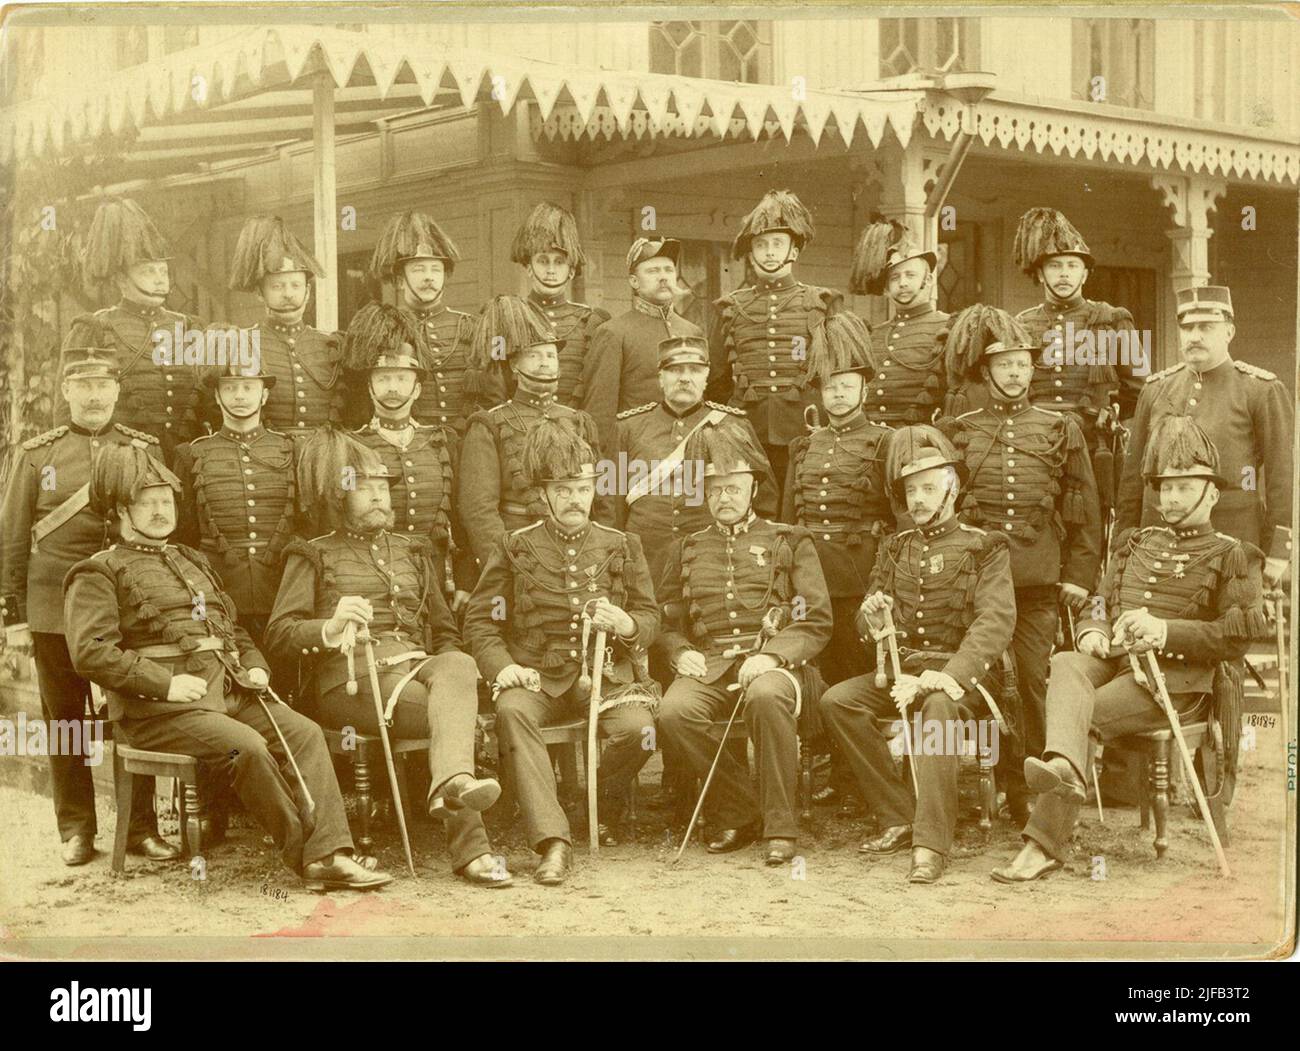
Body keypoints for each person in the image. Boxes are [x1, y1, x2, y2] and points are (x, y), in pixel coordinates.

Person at [63, 444, 390, 891]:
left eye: (166, 500)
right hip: (157, 712)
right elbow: (91, 651)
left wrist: (254, 666)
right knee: (248, 748)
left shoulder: (191, 561)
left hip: (229, 690)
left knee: (305, 733)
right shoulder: (98, 572)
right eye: (147, 502)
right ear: (122, 509)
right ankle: (309, 856)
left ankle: (331, 852)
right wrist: (164, 684)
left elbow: (231, 629)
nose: (161, 511)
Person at [992, 416, 1267, 883]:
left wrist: (1165, 631)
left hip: (1175, 682)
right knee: (1065, 661)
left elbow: (1236, 638)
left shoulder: (1233, 554)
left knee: (1086, 713)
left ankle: (1042, 845)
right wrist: (1093, 629)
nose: (1172, 499)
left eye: (1184, 487)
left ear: (1212, 493)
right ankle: (1065, 766)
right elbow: (1099, 598)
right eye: (1165, 488)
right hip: (1115, 659)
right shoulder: (1134, 542)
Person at [266, 428, 509, 888]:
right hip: (353, 684)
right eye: (367, 489)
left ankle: (451, 784)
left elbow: (444, 632)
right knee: (450, 712)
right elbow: (279, 634)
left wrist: (451, 671)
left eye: (384, 489)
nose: (380, 498)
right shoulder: (313, 554)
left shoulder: (413, 550)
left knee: (460, 665)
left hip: (417, 666)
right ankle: (472, 850)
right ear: (340, 496)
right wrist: (330, 626)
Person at [1, 341, 176, 865]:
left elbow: (156, 521)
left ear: (117, 391)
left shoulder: (144, 449)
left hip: (128, 602)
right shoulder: (37, 454)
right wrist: (14, 618)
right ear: (66, 392)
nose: (95, 396)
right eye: (84, 386)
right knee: (66, 721)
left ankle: (139, 826)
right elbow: (11, 540)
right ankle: (76, 828)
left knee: (134, 713)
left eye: (103, 385)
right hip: (56, 606)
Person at [463, 419, 659, 883]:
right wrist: (504, 667)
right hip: (537, 678)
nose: (576, 499)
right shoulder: (515, 547)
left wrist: (628, 624)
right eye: (565, 489)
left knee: (642, 730)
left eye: (583, 488)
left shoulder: (622, 545)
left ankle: (590, 801)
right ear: (544, 495)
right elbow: (480, 620)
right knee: (513, 713)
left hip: (606, 676)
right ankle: (552, 841)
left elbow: (651, 617)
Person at [818, 426, 1017, 884]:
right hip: (900, 672)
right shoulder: (895, 548)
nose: (919, 500)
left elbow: (994, 624)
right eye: (911, 491)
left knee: (938, 710)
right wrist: (871, 618)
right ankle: (897, 815)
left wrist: (947, 675)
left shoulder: (986, 547)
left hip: (959, 680)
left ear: (953, 488)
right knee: (838, 701)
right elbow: (868, 625)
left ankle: (932, 843)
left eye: (929, 488)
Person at [939, 305, 1102, 817]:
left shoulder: (1060, 428)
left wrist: (1078, 576)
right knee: (980, 679)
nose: (1014, 373)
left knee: (1032, 681)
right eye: (1004, 365)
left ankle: (1030, 789)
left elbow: (1085, 510)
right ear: (986, 373)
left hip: (1036, 580)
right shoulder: (958, 428)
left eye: (1022, 364)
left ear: (1032, 370)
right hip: (975, 581)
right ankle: (987, 782)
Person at [656, 426, 833, 866]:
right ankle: (739, 807)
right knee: (674, 713)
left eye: (733, 489)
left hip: (781, 665)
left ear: (753, 488)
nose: (724, 499)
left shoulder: (789, 540)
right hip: (712, 666)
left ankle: (780, 827)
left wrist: (773, 655)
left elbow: (816, 619)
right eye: (714, 491)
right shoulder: (687, 547)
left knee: (766, 694)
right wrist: (680, 651)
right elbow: (663, 620)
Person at [1117, 284, 1293, 552]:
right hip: (1158, 542)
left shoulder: (1260, 390)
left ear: (1229, 332)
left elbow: (1283, 478)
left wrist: (1279, 551)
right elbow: (1132, 479)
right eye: (1187, 328)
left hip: (1233, 543)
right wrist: (1124, 540)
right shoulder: (1155, 390)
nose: (1195, 336)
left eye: (1206, 327)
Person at [783, 313, 894, 686]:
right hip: (812, 574)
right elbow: (788, 522)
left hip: (862, 570)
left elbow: (899, 518)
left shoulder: (885, 442)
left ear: (865, 390)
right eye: (830, 388)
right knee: (816, 664)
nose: (838, 395)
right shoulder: (803, 446)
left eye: (847, 386)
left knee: (860, 663)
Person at [457, 295, 608, 569]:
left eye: (551, 355)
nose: (544, 363)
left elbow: (600, 500)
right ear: (515, 366)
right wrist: (505, 562)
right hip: (518, 550)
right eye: (534, 355)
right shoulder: (489, 425)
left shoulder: (578, 421)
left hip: (576, 550)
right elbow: (478, 509)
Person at [614, 333, 775, 586]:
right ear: (660, 377)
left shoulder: (734, 424)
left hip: (713, 556)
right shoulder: (629, 427)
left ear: (706, 377)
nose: (685, 378)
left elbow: (763, 498)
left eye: (695, 370)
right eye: (675, 370)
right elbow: (610, 502)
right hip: (645, 557)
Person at [706, 189, 842, 487]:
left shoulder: (821, 302)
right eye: (761, 245)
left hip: (806, 429)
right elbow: (716, 380)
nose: (769, 252)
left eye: (777, 244)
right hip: (745, 432)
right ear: (751, 253)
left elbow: (839, 374)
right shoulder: (730, 308)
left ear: (793, 251)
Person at [343, 303, 475, 608]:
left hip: (437, 581)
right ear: (370, 386)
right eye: (384, 378)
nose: (393, 388)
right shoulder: (351, 446)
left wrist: (466, 581)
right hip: (376, 579)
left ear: (417, 388)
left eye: (402, 379)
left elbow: (462, 517)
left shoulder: (442, 442)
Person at [1012, 207, 1142, 511]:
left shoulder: (1114, 320)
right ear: (1041, 273)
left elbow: (1138, 391)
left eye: (1073, 265)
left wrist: (1107, 418)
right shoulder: (1021, 324)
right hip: (1034, 442)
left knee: (1089, 531)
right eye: (1055, 266)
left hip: (1092, 444)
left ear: (1085, 273)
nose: (1064, 274)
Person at [56, 198, 202, 464]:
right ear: (122, 279)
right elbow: (67, 414)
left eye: (163, 271)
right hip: (121, 463)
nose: (160, 279)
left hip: (186, 466)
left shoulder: (190, 327)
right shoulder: (96, 328)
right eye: (148, 272)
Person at [172, 355, 297, 660]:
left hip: (281, 593)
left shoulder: (292, 449)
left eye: (248, 387)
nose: (240, 396)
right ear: (216, 395)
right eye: (230, 389)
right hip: (220, 590)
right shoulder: (192, 454)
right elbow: (184, 537)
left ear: (264, 394)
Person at [364, 210, 501, 434]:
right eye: (419, 269)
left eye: (435, 269)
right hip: (414, 446)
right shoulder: (381, 329)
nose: (429, 277)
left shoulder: (471, 327)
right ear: (399, 280)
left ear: (445, 276)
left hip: (467, 442)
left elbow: (494, 398)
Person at [223, 215, 342, 439]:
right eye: (277, 286)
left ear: (307, 291)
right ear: (260, 293)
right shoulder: (242, 343)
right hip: (268, 455)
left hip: (323, 452)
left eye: (295, 285)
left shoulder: (330, 344)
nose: (288, 294)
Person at [581, 237, 703, 445]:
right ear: (634, 282)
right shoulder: (613, 332)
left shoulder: (692, 331)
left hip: (688, 451)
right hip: (636, 455)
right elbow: (600, 412)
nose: (663, 277)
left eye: (668, 270)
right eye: (653, 271)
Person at [848, 219, 954, 425]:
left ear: (928, 281)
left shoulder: (948, 328)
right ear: (887, 286)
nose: (902, 283)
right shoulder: (874, 334)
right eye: (895, 277)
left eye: (910, 275)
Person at [510, 201, 610, 409]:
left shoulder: (591, 322)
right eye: (543, 261)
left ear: (571, 271)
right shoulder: (508, 316)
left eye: (559, 262)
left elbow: (597, 388)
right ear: (529, 268)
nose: (551, 270)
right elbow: (496, 386)